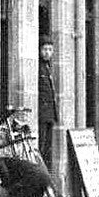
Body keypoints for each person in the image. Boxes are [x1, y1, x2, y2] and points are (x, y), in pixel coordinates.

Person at [38, 40, 59, 168]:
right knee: (41, 145)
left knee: (48, 148)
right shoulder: (38, 66)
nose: (47, 52)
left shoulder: (48, 67)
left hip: (49, 114)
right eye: (45, 49)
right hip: (42, 113)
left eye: (50, 50)